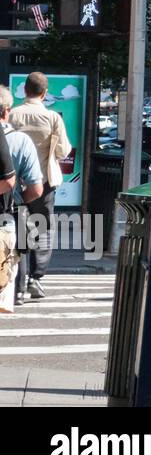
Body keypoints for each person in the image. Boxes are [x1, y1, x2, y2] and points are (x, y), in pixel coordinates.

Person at [7, 72, 71, 298]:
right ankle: (36, 277)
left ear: (24, 90)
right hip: (44, 182)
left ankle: (18, 283)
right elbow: (63, 150)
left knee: (18, 229)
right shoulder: (53, 118)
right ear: (44, 93)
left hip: (14, 182)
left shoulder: (13, 114)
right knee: (42, 229)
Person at [1, 86, 45, 311]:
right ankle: (17, 291)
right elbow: (36, 189)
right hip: (12, 208)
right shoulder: (21, 141)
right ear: (6, 111)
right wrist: (20, 199)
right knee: (19, 249)